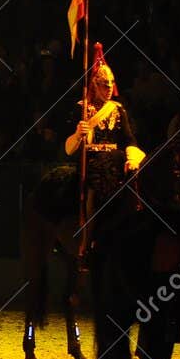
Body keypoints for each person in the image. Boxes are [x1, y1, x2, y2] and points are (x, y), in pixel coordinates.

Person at [64, 44, 144, 227]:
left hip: (116, 158)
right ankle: (90, 229)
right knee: (97, 178)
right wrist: (78, 134)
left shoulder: (118, 108)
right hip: (92, 159)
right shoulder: (82, 108)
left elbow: (129, 138)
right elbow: (68, 146)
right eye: (104, 85)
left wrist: (132, 158)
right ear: (95, 84)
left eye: (111, 85)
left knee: (133, 173)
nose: (108, 89)